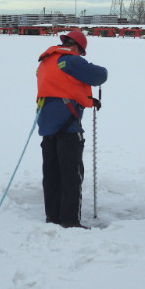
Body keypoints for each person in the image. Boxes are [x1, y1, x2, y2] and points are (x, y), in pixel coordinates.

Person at [36, 30, 108, 228]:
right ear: (76, 46)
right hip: (67, 129)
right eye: (81, 52)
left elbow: (61, 87)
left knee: (52, 174)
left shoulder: (46, 62)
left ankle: (53, 217)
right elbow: (100, 75)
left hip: (47, 127)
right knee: (71, 175)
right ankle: (70, 220)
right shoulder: (69, 61)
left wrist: (87, 100)